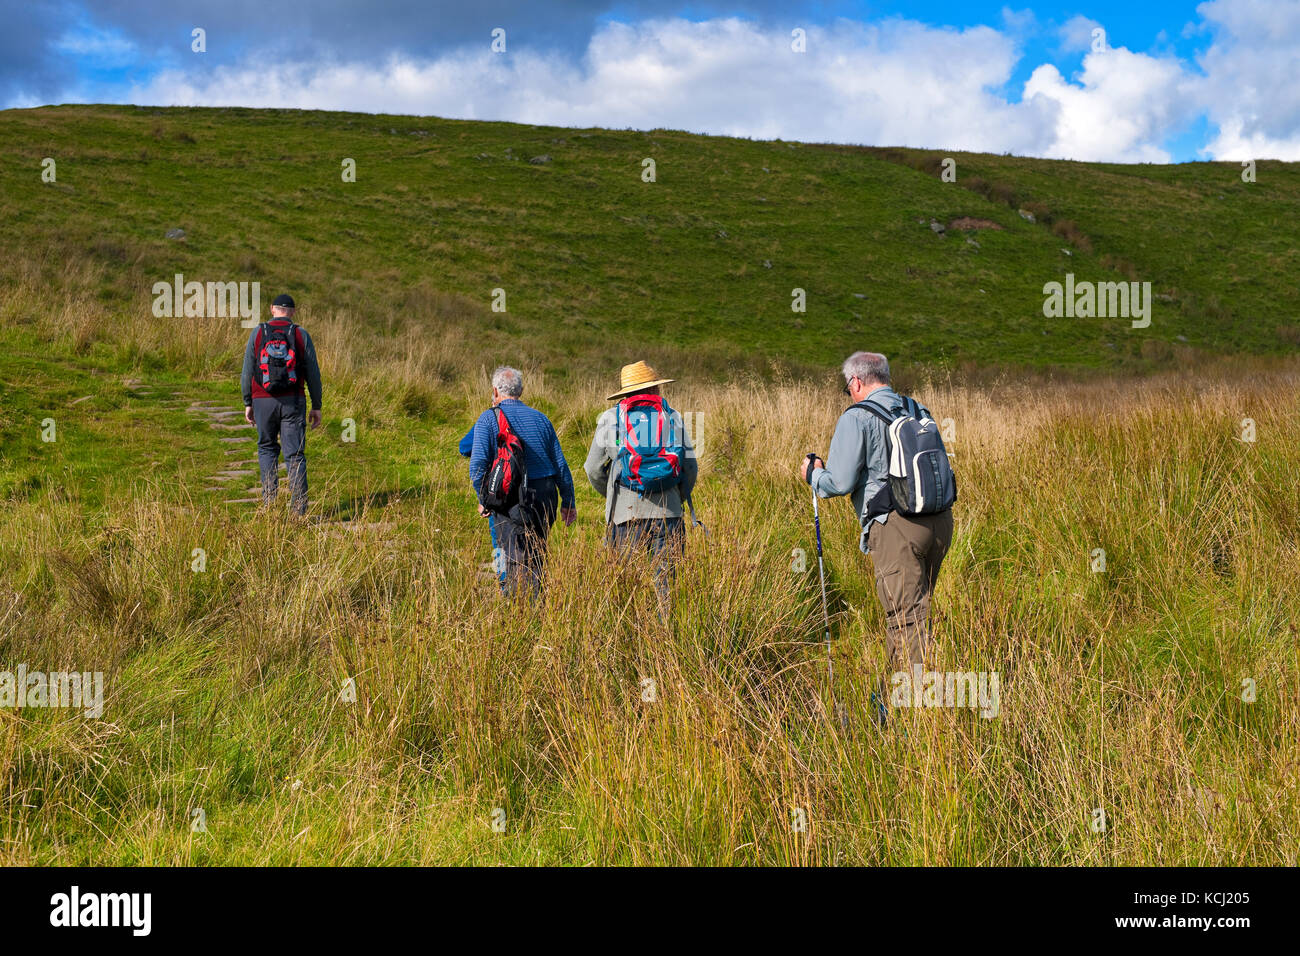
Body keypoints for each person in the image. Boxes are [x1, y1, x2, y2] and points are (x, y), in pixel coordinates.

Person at [800, 351, 953, 676]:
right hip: (939, 522)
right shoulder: (917, 408)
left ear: (855, 382)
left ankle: (912, 714)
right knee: (910, 616)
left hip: (896, 529)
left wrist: (813, 476)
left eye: (848, 387)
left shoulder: (856, 418)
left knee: (907, 622)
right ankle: (889, 701)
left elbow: (839, 483)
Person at [584, 360, 697, 609]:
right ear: (655, 389)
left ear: (625, 392)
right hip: (669, 514)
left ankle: (628, 640)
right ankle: (666, 638)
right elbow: (690, 468)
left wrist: (614, 494)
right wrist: (675, 494)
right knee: (665, 588)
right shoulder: (673, 416)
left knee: (625, 586)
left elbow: (592, 469)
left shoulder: (610, 419)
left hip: (626, 517)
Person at [468, 366, 575, 597]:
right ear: (522, 390)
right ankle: (537, 606)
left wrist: (485, 498)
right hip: (546, 495)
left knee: (512, 556)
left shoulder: (488, 418)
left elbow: (477, 467)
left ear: (495, 391)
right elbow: (560, 465)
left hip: (511, 497)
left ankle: (522, 613)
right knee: (537, 552)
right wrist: (568, 501)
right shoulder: (542, 419)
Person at [241, 293, 322, 515]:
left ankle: (269, 507)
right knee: (295, 454)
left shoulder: (258, 333)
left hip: (262, 400)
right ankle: (298, 512)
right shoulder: (300, 334)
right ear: (293, 312)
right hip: (293, 401)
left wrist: (248, 401)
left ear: (272, 309)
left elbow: (248, 370)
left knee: (266, 448)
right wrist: (317, 405)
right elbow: (313, 373)